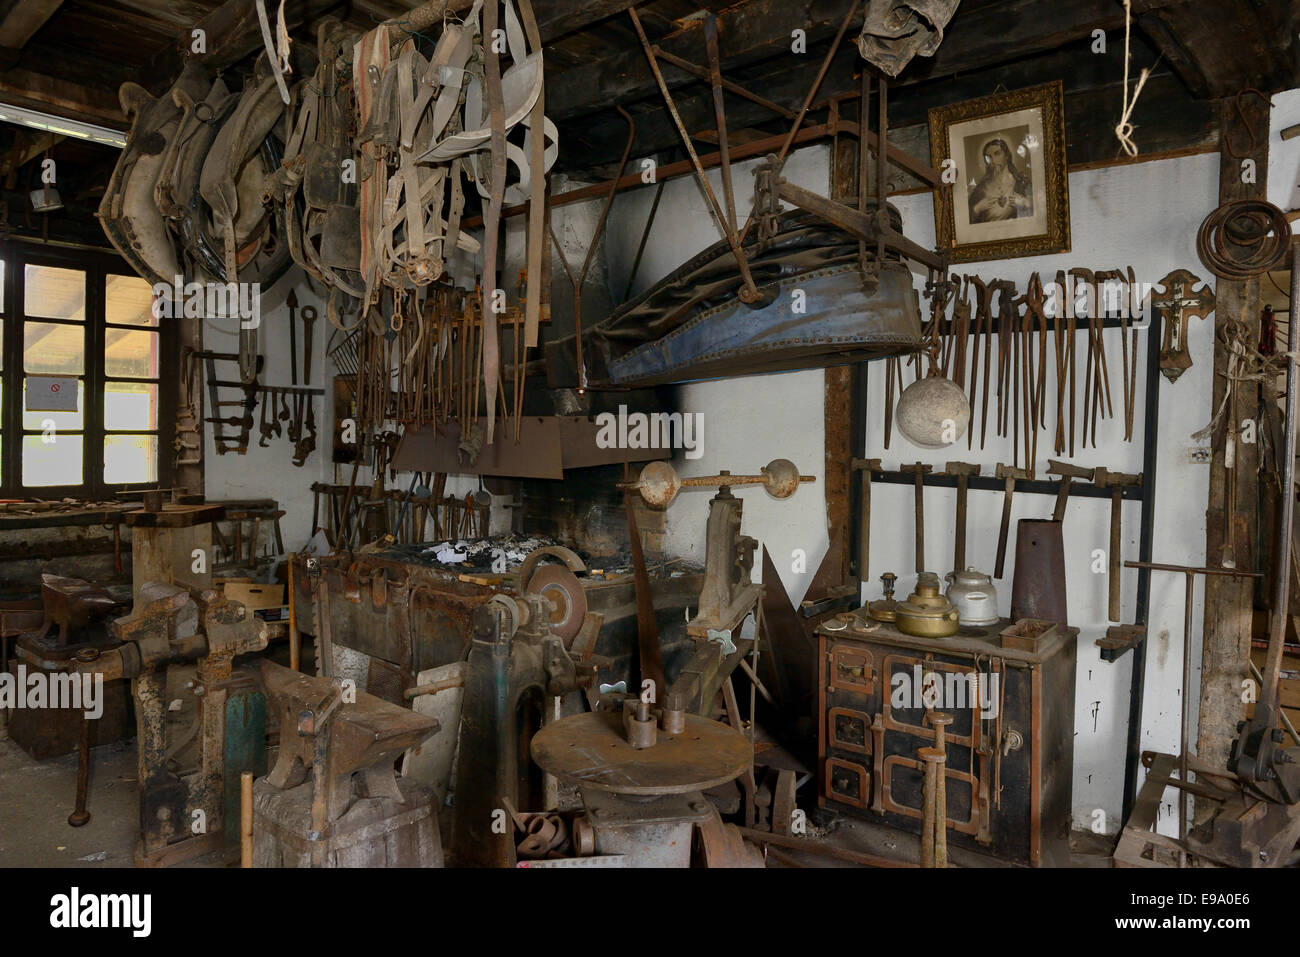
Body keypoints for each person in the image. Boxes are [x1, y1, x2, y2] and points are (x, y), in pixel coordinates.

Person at [968, 137, 1032, 223]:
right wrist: (977, 209)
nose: (993, 160)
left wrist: (1024, 203)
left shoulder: (1022, 182)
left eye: (997, 154)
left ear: (1006, 156)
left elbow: (1038, 211)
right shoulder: (981, 189)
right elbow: (965, 220)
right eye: (989, 157)